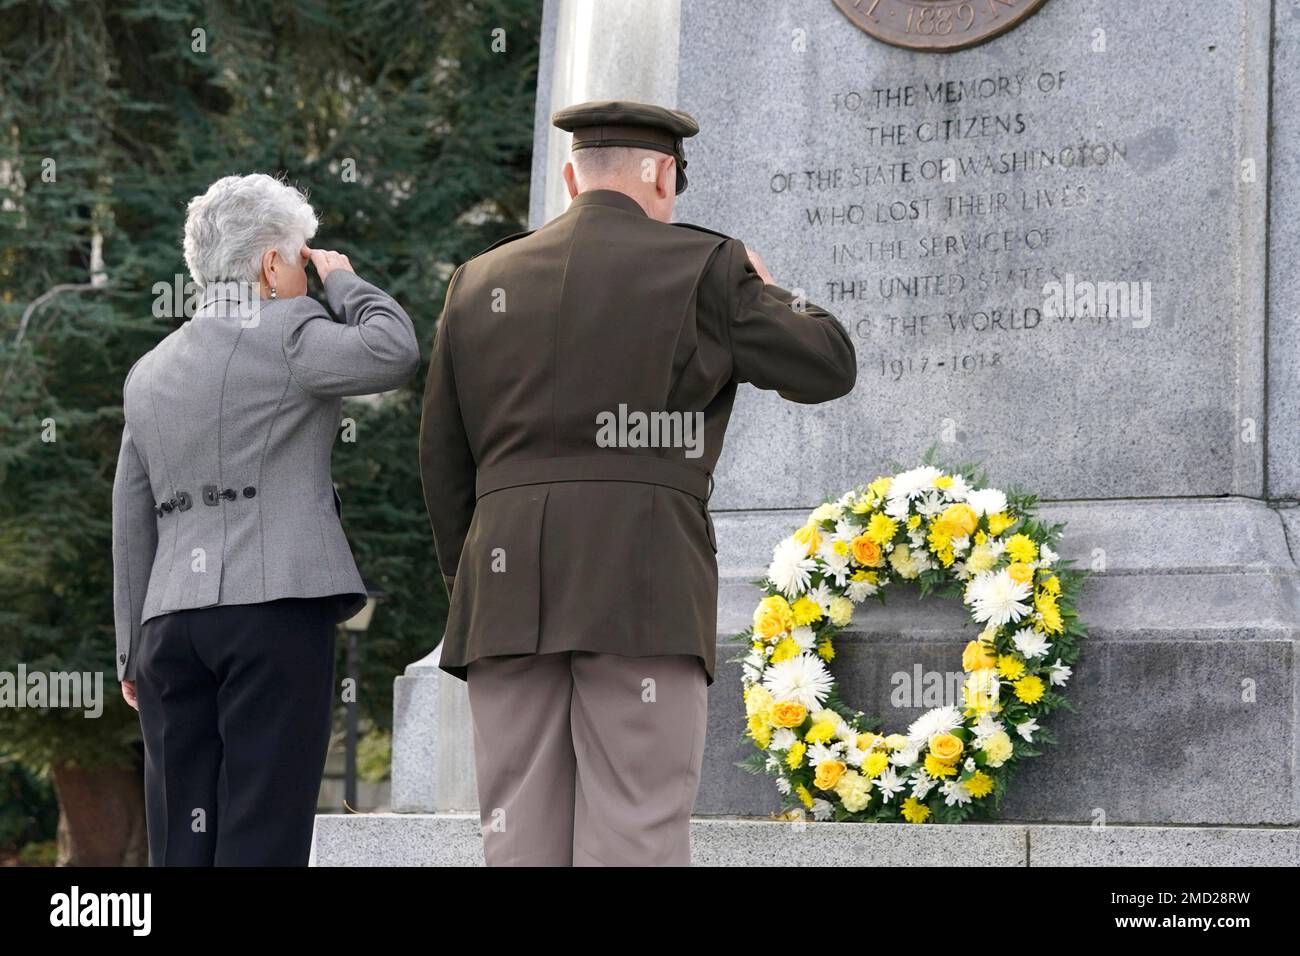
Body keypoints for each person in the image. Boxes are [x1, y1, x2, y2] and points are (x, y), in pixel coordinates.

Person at [419, 99, 857, 866]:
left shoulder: (476, 279)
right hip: (641, 581)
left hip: (504, 593)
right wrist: (758, 282)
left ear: (570, 177)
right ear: (662, 175)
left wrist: (477, 587)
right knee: (636, 830)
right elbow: (828, 361)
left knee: (517, 836)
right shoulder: (707, 267)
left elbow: (444, 463)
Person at [112, 173, 420, 865]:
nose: (306, 271)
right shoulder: (291, 328)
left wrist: (130, 645)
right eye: (302, 255)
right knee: (262, 834)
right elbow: (394, 349)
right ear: (270, 265)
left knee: (180, 842)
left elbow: (130, 511)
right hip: (272, 611)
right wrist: (344, 283)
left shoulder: (149, 371)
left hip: (168, 629)